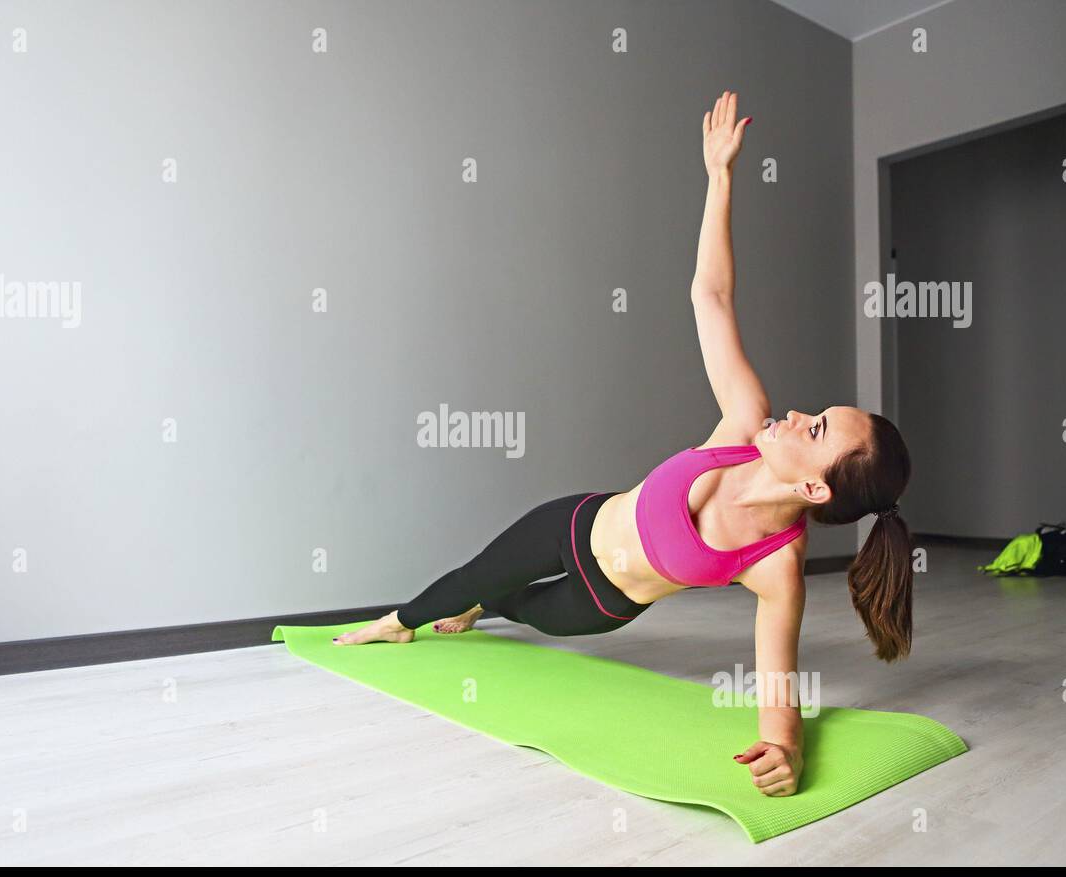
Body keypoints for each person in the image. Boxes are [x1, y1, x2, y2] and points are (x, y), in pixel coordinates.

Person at [333, 92, 912, 797]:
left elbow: (776, 682)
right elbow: (712, 297)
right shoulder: (743, 425)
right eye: (816, 411)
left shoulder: (775, 567)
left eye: (817, 429)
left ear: (817, 489)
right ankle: (397, 624)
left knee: (517, 608)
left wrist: (782, 746)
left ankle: (487, 608)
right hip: (576, 523)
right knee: (474, 578)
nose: (797, 414)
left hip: (606, 602)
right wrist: (720, 177)